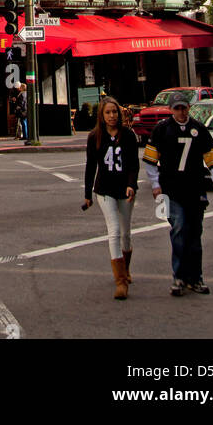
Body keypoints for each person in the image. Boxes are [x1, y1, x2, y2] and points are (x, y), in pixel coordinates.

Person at [142, 90, 213, 296]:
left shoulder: (199, 129)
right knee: (178, 228)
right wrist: (155, 185)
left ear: (189, 108)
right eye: (176, 108)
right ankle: (179, 277)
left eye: (183, 108)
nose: (180, 112)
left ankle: (195, 278)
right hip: (171, 189)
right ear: (171, 110)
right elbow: (151, 160)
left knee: (195, 233)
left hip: (195, 188)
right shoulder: (162, 130)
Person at [81, 96, 139, 299]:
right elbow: (91, 166)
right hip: (104, 190)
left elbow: (133, 164)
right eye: (108, 112)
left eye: (114, 112)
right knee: (114, 231)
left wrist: (132, 185)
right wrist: (88, 194)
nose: (112, 116)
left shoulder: (129, 136)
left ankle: (126, 269)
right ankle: (120, 281)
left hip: (124, 190)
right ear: (102, 116)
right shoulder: (95, 136)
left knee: (126, 233)